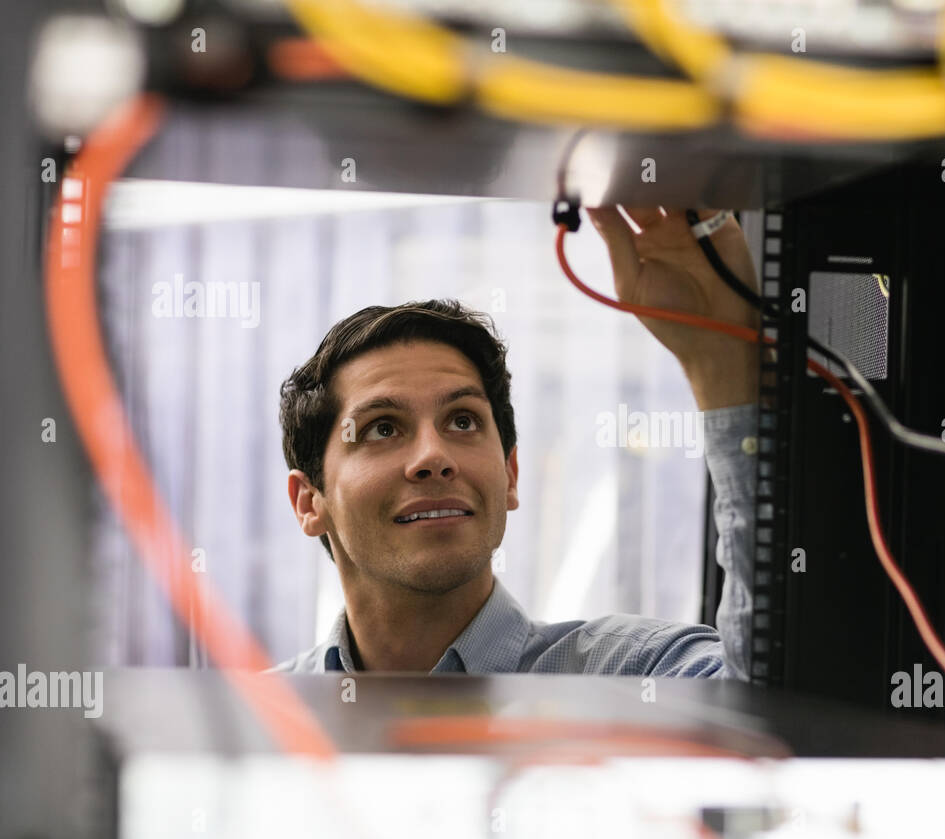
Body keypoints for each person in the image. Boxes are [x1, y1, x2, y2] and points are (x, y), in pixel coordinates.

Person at [269, 206, 759, 677]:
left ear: (510, 474)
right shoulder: (256, 721)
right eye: (382, 428)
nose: (433, 457)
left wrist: (722, 359)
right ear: (309, 501)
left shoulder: (639, 673)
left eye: (462, 421)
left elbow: (775, 706)